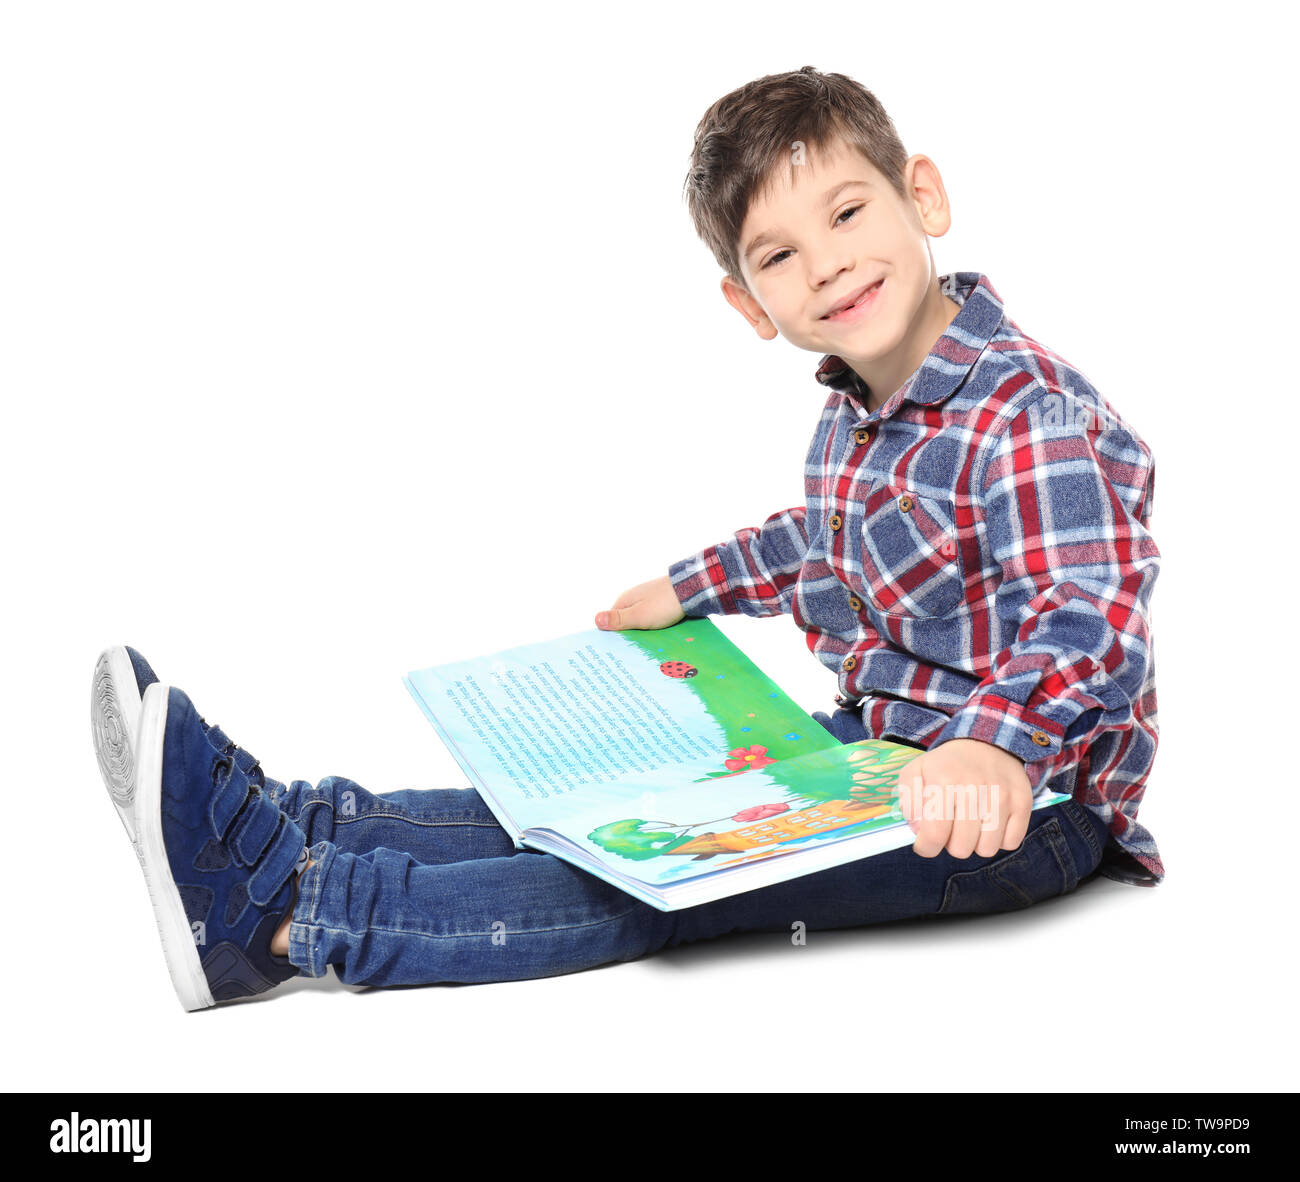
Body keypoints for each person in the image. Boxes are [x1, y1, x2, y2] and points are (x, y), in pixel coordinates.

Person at [90, 66, 1161, 1011]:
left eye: (846, 212)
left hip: (1021, 809)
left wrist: (991, 745)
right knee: (618, 812)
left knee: (678, 877)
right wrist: (692, 586)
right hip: (885, 756)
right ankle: (290, 824)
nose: (827, 265)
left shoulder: (1027, 411)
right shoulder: (858, 405)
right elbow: (825, 538)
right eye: (781, 254)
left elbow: (1088, 617)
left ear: (919, 194)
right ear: (750, 306)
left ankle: (284, 918)